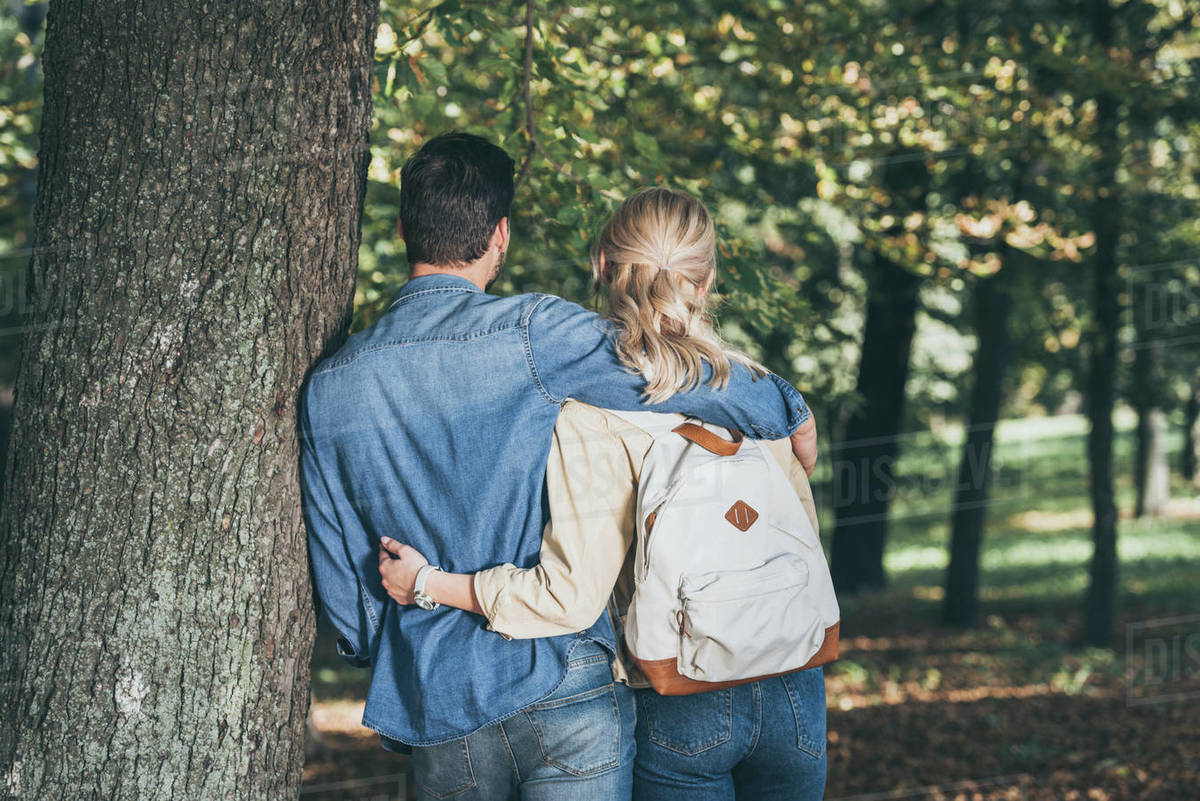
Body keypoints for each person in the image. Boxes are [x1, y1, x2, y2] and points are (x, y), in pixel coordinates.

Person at [299, 134, 818, 801]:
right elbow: (662, 367)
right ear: (501, 236)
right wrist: (786, 405)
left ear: (402, 229)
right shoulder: (531, 334)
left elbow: (348, 588)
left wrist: (397, 647)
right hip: (562, 675)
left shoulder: (331, 386)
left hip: (436, 692)